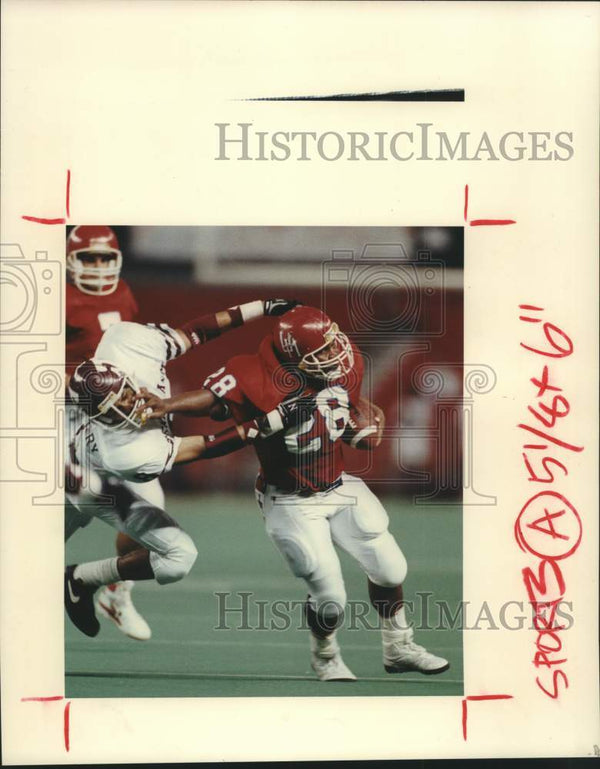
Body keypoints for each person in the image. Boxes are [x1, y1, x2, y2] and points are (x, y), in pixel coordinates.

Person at [140, 305, 449, 681]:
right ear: (292, 354)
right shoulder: (251, 373)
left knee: (390, 566)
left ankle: (399, 647)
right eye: (322, 354)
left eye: (335, 345)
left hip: (338, 483)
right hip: (289, 498)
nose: (336, 356)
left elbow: (348, 407)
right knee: (331, 597)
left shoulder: (345, 361)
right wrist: (170, 404)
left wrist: (365, 421)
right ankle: (325, 655)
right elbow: (212, 398)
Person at [65, 297, 299, 639]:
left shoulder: (127, 342)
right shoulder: (127, 452)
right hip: (88, 483)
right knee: (23, 562)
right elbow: (204, 446)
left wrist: (261, 307)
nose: (130, 406)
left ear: (123, 374)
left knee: (178, 558)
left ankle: (85, 580)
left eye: (126, 395)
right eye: (116, 410)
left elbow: (196, 332)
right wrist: (267, 423)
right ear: (98, 418)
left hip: (106, 463)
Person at [66, 224, 153, 640]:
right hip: (63, 423)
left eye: (104, 258)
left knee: (151, 515)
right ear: (70, 260)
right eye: (88, 258)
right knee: (41, 533)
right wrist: (82, 381)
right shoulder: (55, 300)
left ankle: (116, 591)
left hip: (111, 426)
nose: (98, 267)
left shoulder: (124, 294)